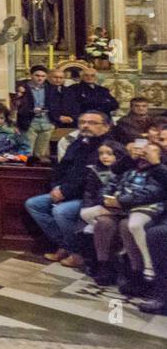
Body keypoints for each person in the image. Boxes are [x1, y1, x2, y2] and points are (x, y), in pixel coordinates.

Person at [24, 110, 112, 265]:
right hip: (66, 190)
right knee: (34, 204)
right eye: (82, 122)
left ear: (106, 127)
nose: (85, 126)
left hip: (90, 196)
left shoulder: (107, 147)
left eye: (92, 123)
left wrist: (64, 192)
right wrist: (55, 187)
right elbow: (61, 168)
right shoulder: (78, 143)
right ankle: (66, 246)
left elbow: (90, 177)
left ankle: (77, 253)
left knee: (61, 211)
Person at [92, 139, 166, 297]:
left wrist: (121, 201)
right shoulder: (130, 167)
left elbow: (154, 192)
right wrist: (105, 198)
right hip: (122, 207)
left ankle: (137, 272)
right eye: (142, 152)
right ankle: (105, 265)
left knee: (127, 226)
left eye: (148, 152)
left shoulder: (158, 170)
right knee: (103, 222)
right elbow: (113, 178)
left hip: (144, 209)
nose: (143, 155)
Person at [79, 139, 133, 282]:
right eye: (101, 153)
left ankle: (131, 269)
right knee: (100, 223)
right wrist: (101, 202)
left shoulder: (128, 171)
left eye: (109, 153)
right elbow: (91, 193)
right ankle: (103, 265)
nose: (104, 157)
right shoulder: (95, 170)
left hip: (129, 208)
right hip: (107, 207)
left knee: (122, 225)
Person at [14, 64, 63, 162]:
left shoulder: (51, 88)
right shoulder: (23, 88)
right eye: (37, 75)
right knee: (27, 151)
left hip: (46, 122)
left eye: (43, 76)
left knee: (40, 154)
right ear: (31, 75)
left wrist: (54, 121)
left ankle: (36, 172)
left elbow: (56, 105)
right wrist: (31, 110)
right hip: (30, 121)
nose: (40, 78)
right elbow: (17, 104)